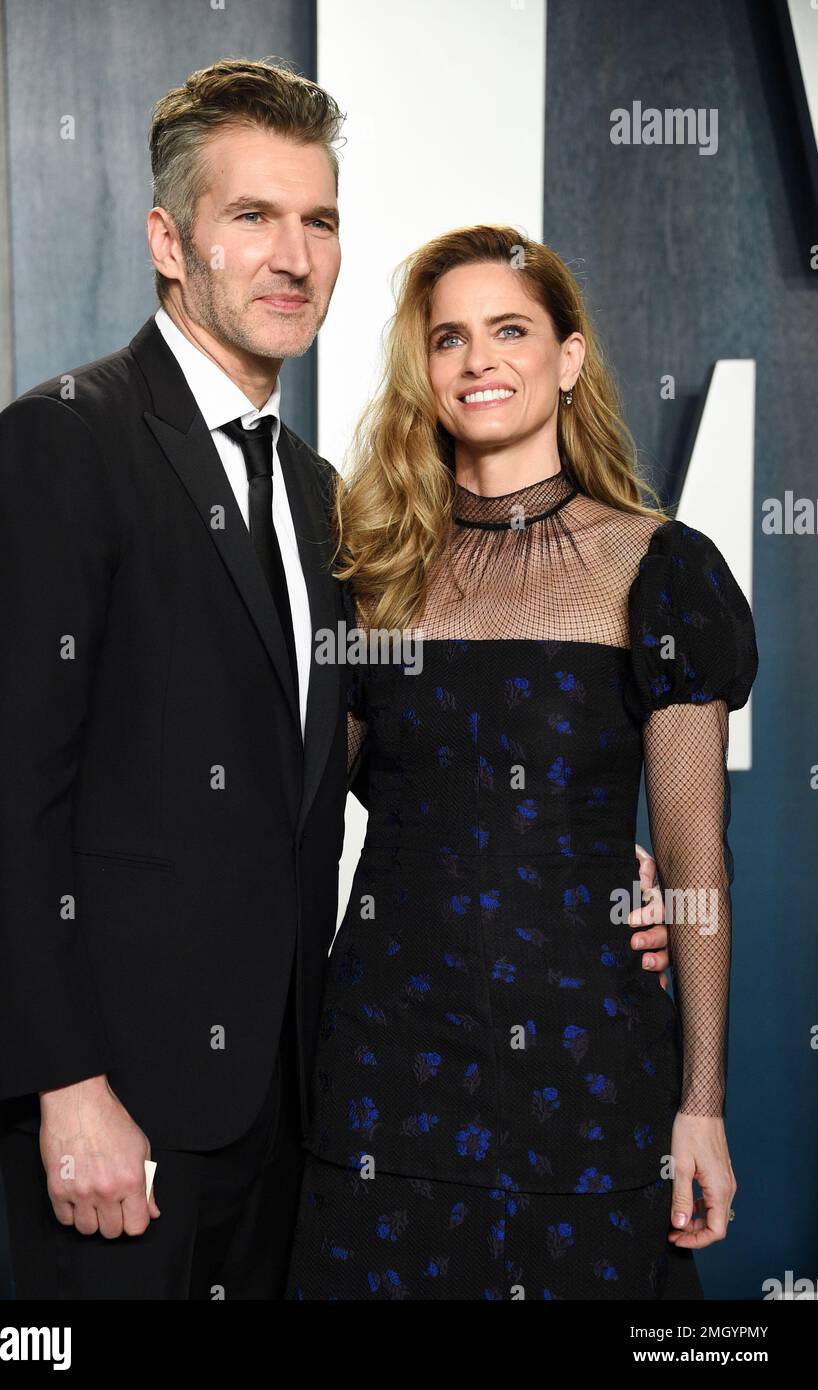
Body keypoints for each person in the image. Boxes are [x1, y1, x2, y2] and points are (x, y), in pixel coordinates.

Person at [0, 60, 673, 1301]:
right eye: (252, 217)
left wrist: (588, 856)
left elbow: (361, 755)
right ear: (170, 244)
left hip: (301, 1099)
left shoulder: (316, 492)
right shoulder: (59, 441)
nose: (294, 255)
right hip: (122, 1111)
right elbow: (2, 806)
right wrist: (63, 1091)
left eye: (318, 220)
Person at [285, 225, 758, 1300]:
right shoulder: (373, 572)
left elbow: (693, 864)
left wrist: (700, 1103)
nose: (478, 359)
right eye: (448, 337)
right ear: (424, 369)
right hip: (384, 1065)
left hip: (587, 1068)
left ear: (570, 357)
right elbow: (303, 804)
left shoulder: (658, 567)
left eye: (509, 329)